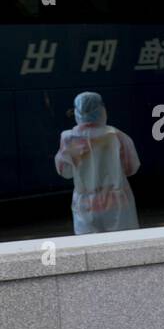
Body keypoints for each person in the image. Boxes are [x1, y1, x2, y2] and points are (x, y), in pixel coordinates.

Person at [54, 91, 140, 234]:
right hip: (117, 204)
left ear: (77, 112)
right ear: (101, 110)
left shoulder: (68, 138)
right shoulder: (116, 136)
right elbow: (131, 168)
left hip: (85, 205)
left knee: (91, 248)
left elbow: (65, 172)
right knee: (122, 246)